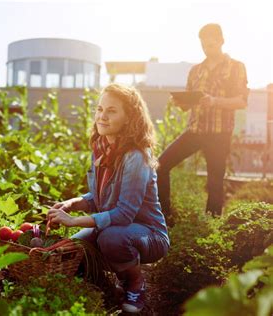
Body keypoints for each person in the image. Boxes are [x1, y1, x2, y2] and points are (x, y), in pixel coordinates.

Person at [47, 83, 169, 313]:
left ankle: (134, 283)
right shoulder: (102, 149)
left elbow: (123, 215)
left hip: (149, 234)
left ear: (129, 117)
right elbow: (98, 196)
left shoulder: (136, 157)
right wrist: (72, 204)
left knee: (111, 240)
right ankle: (108, 283)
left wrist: (73, 221)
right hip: (117, 226)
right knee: (75, 247)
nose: (102, 116)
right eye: (99, 109)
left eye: (112, 111)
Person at [157, 23, 249, 220]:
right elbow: (188, 106)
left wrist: (214, 101)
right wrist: (179, 102)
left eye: (211, 45)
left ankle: (211, 226)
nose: (207, 49)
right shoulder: (196, 70)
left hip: (219, 133)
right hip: (195, 131)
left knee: (215, 182)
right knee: (160, 165)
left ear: (222, 41)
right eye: (204, 46)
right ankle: (165, 216)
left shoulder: (236, 67)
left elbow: (241, 101)